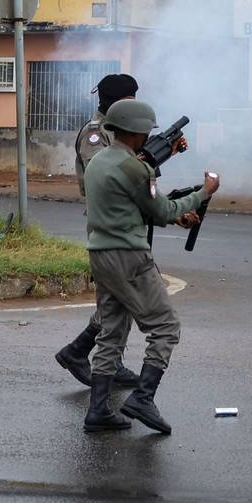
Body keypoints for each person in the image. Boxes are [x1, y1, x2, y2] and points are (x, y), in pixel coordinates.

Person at [81, 98, 217, 435]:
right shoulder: (134, 169)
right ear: (139, 132)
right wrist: (202, 193)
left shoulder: (98, 162)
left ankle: (98, 410)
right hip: (130, 256)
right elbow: (162, 209)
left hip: (101, 253)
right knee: (165, 327)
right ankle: (143, 397)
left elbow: (133, 203)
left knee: (112, 331)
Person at [54, 72, 145, 391]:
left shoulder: (123, 132)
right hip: (110, 224)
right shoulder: (97, 133)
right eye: (131, 98)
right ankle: (85, 354)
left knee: (121, 298)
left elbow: (134, 169)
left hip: (126, 220)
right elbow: (103, 176)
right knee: (123, 297)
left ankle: (92, 354)